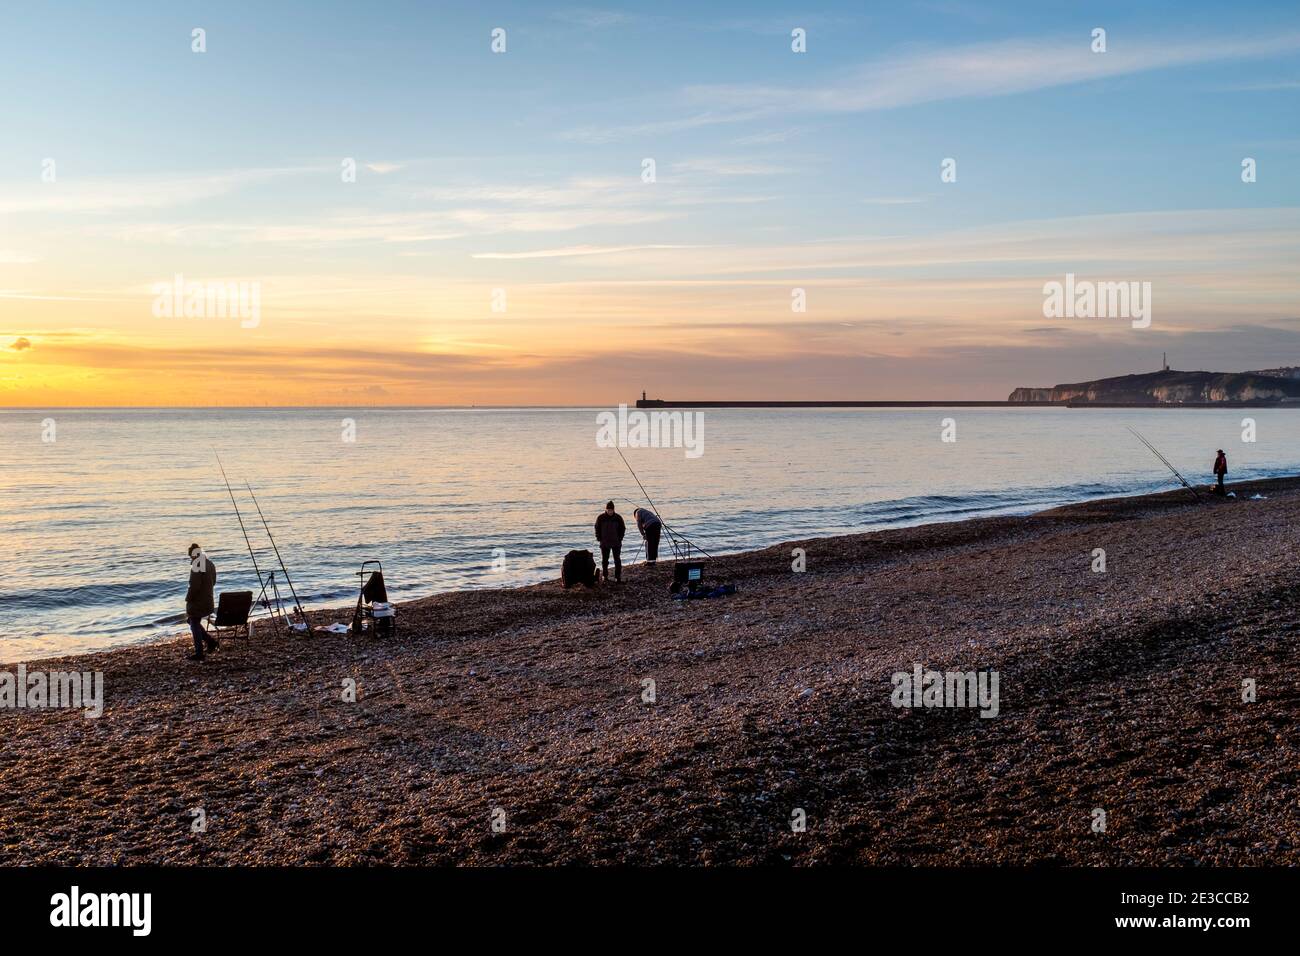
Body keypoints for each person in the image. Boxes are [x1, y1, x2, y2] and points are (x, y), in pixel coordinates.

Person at [185, 543, 218, 661]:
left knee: (193, 621)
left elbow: (194, 586)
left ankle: (199, 652)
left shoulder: (197, 565)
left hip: (198, 601)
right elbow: (213, 581)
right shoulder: (210, 563)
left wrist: (188, 598)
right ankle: (210, 641)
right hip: (208, 600)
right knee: (192, 620)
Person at [594, 501, 626, 582]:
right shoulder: (601, 517)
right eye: (608, 510)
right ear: (606, 509)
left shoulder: (618, 518)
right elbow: (597, 528)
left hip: (616, 542)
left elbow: (623, 528)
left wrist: (620, 538)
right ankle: (605, 576)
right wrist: (599, 538)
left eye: (611, 510)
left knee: (617, 560)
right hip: (605, 542)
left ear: (613, 509)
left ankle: (617, 577)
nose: (610, 512)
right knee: (605, 560)